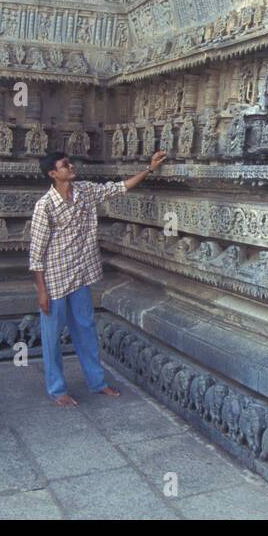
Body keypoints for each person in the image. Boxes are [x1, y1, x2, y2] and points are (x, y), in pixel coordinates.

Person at [29, 149, 168, 406]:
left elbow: (119, 188)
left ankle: (97, 382)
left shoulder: (84, 191)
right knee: (52, 338)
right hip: (55, 281)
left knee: (86, 330)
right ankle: (57, 389)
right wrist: (42, 292)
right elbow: (36, 255)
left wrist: (150, 169)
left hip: (81, 276)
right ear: (52, 174)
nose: (70, 167)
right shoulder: (45, 206)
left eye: (69, 163)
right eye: (64, 165)